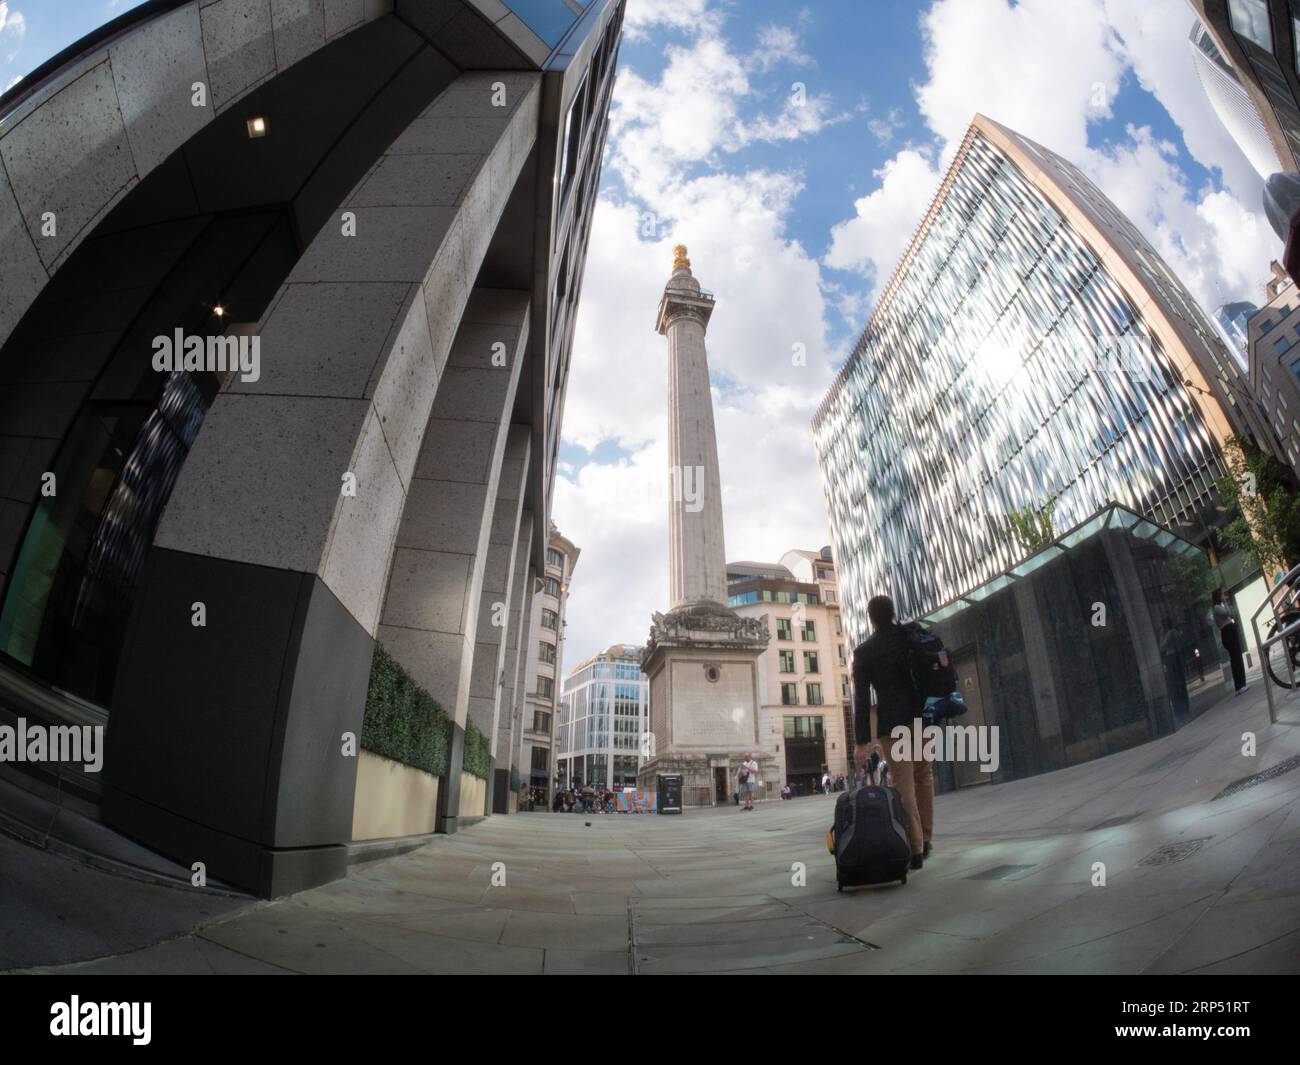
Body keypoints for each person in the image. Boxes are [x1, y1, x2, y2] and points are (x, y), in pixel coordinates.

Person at [852, 594, 934, 869]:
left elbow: (861, 699)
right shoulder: (908, 635)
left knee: (903, 784)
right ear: (892, 613)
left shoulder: (864, 652)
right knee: (924, 776)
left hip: (892, 723)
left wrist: (862, 741)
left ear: (871, 619)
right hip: (919, 715)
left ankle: (915, 849)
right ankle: (927, 838)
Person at [1213, 589, 1248, 694]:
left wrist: (1227, 603)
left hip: (1230, 631)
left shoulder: (1222, 606)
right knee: (1235, 658)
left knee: (1237, 657)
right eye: (1223, 595)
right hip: (1227, 632)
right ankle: (1239, 686)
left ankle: (1241, 684)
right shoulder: (1216, 607)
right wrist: (1225, 603)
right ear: (1218, 596)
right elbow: (1227, 613)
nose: (1225, 596)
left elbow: (1233, 614)